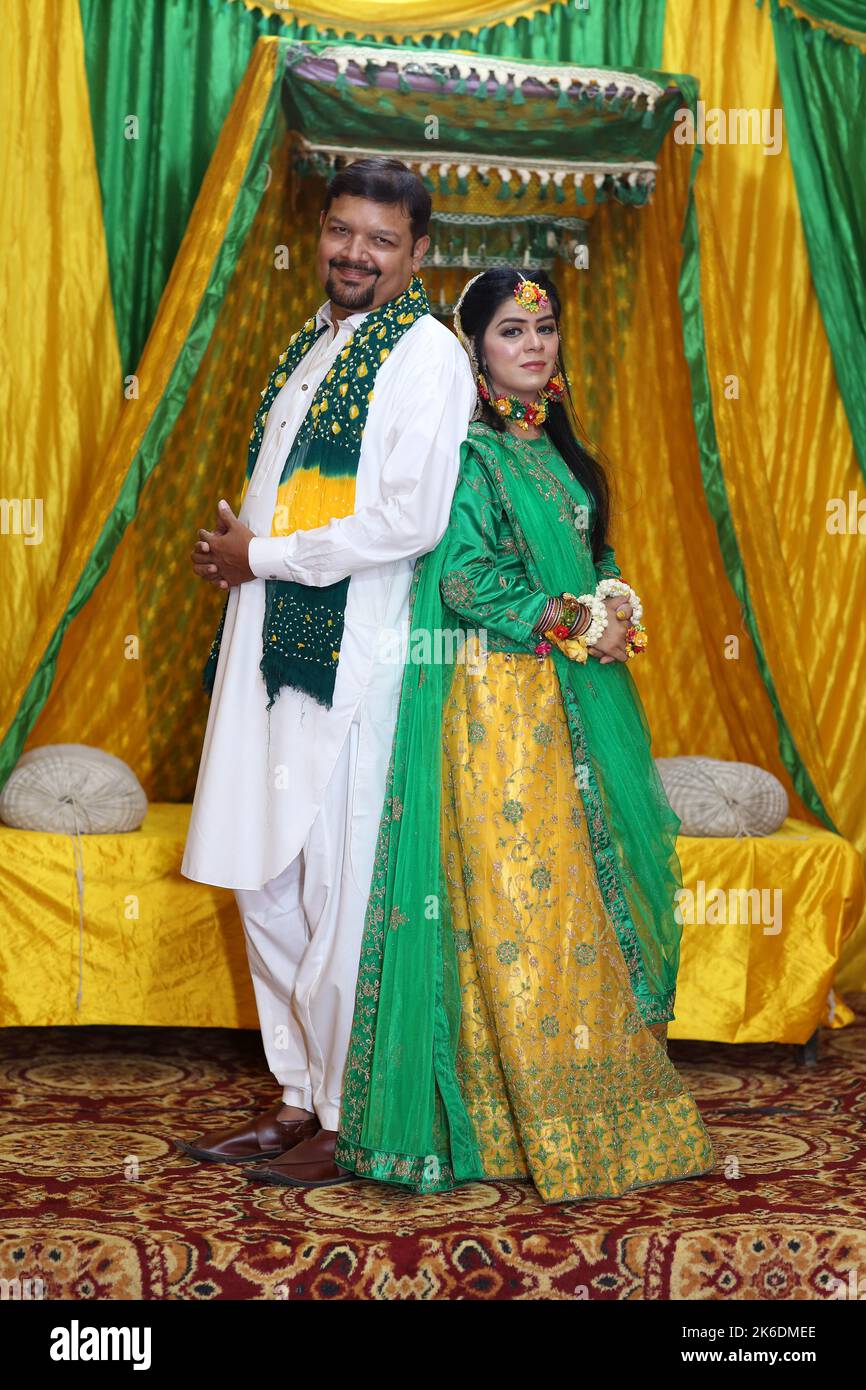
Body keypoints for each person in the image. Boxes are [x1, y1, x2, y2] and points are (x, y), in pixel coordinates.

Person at [333, 267, 716, 1204]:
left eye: (543, 331)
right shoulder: (468, 454)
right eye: (512, 332)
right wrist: (573, 620)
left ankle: (589, 1101)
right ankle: (507, 1116)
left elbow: (592, 552)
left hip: (569, 702)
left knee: (580, 894)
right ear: (477, 349)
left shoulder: (563, 455)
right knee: (515, 905)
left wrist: (613, 595)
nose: (534, 347)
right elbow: (463, 581)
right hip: (498, 708)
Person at [177, 158, 476, 1188]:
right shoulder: (315, 341)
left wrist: (258, 555)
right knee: (267, 877)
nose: (354, 252)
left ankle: (347, 1113)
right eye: (341, 230)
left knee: (340, 885)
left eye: (380, 240)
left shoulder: (428, 356)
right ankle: (297, 1091)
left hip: (355, 664)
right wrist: (247, 550)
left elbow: (407, 519)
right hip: (269, 648)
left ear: (418, 251)